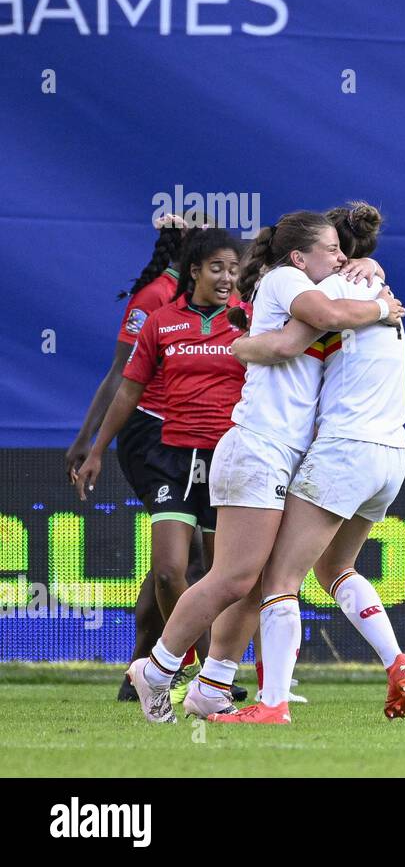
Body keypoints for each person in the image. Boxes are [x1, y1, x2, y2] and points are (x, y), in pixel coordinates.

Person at [124, 211, 403, 723]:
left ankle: (213, 686)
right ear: (299, 257)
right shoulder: (288, 278)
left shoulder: (326, 285)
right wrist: (381, 304)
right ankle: (157, 670)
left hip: (280, 451)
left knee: (256, 582)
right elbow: (301, 335)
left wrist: (367, 268)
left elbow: (296, 337)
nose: (341, 257)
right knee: (232, 577)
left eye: (346, 250)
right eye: (331, 249)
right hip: (257, 445)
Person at [77, 230, 246, 658]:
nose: (226, 277)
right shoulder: (162, 320)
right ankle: (187, 659)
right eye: (216, 268)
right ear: (194, 271)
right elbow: (129, 390)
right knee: (170, 573)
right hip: (172, 457)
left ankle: (215, 672)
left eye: (233, 268)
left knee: (219, 577)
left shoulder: (250, 317)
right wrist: (96, 450)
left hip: (228, 459)